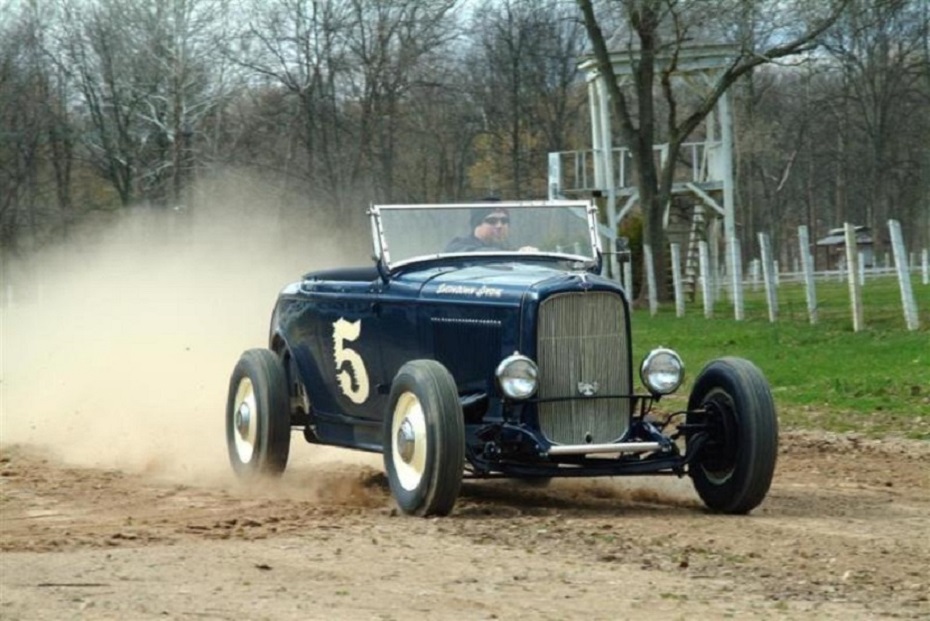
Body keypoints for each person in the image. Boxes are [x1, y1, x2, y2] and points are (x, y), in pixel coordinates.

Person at [444, 206, 513, 252]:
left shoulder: (504, 247)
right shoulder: (458, 245)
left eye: (504, 221)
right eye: (492, 221)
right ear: (477, 225)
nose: (499, 226)